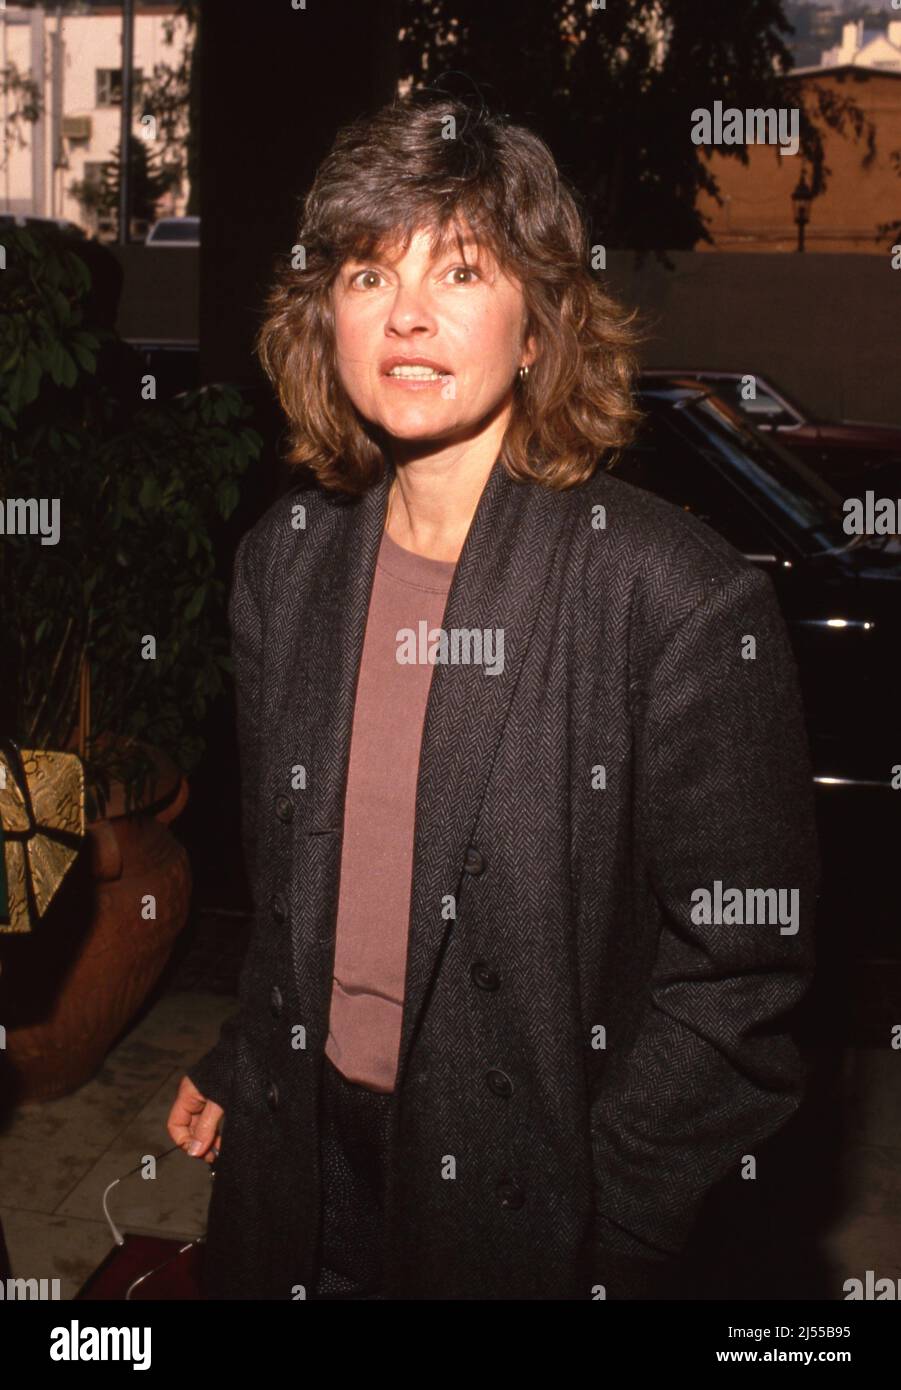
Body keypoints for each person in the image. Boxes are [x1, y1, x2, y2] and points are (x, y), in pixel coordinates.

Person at [167, 93, 818, 1301]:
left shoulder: (671, 596)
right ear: (325, 320)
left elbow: (742, 978)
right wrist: (246, 1049)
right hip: (295, 1165)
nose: (406, 313)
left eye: (459, 270)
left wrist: (606, 1223)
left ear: (538, 326)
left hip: (523, 1212)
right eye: (367, 274)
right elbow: (299, 883)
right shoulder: (285, 559)